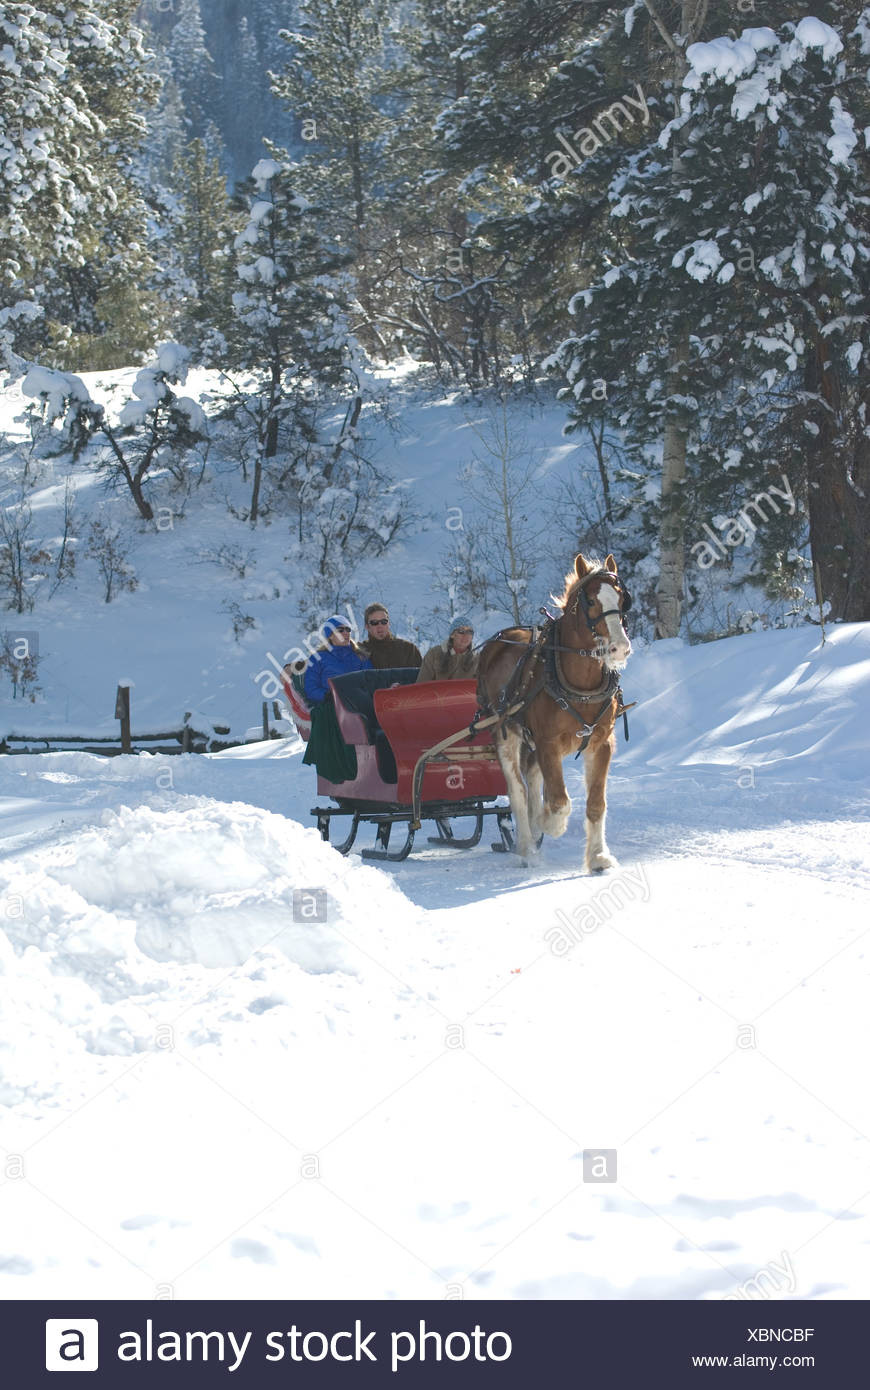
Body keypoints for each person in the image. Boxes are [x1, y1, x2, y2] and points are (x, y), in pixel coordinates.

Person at [302, 616, 371, 783]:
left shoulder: (361, 656)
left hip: (358, 702)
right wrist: (327, 696)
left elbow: (370, 680)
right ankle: (344, 770)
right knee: (334, 717)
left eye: (348, 629)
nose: (346, 633)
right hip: (331, 703)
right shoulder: (317, 658)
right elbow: (310, 688)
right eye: (340, 630)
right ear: (330, 635)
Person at [359, 602, 422, 670]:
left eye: (384, 622)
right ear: (367, 626)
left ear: (389, 624)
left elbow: (422, 675)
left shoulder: (409, 650)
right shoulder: (359, 652)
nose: (380, 626)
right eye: (374, 623)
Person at [417, 616, 478, 682]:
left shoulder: (478, 659)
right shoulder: (433, 654)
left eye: (470, 632)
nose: (466, 635)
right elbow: (422, 684)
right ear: (452, 635)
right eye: (461, 631)